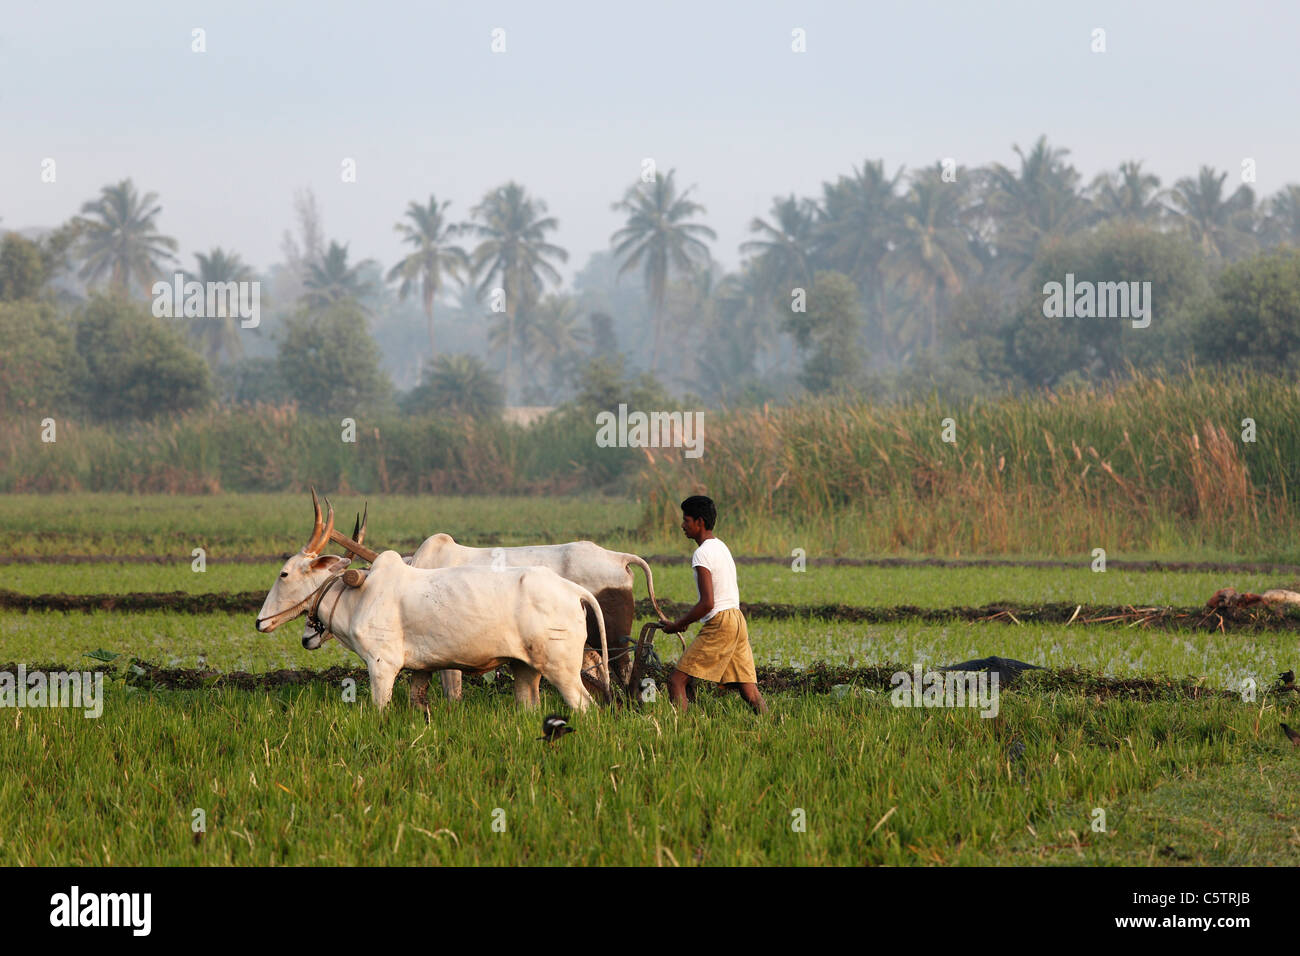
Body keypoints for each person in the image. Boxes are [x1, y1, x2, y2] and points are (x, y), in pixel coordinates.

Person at [663, 495, 767, 714]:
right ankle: (770, 725)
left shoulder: (701, 554)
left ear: (699, 522)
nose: (683, 525)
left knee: (676, 681)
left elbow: (707, 602)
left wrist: (679, 624)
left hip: (720, 622)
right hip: (737, 619)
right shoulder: (721, 547)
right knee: (748, 687)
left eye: (686, 520)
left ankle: (678, 732)